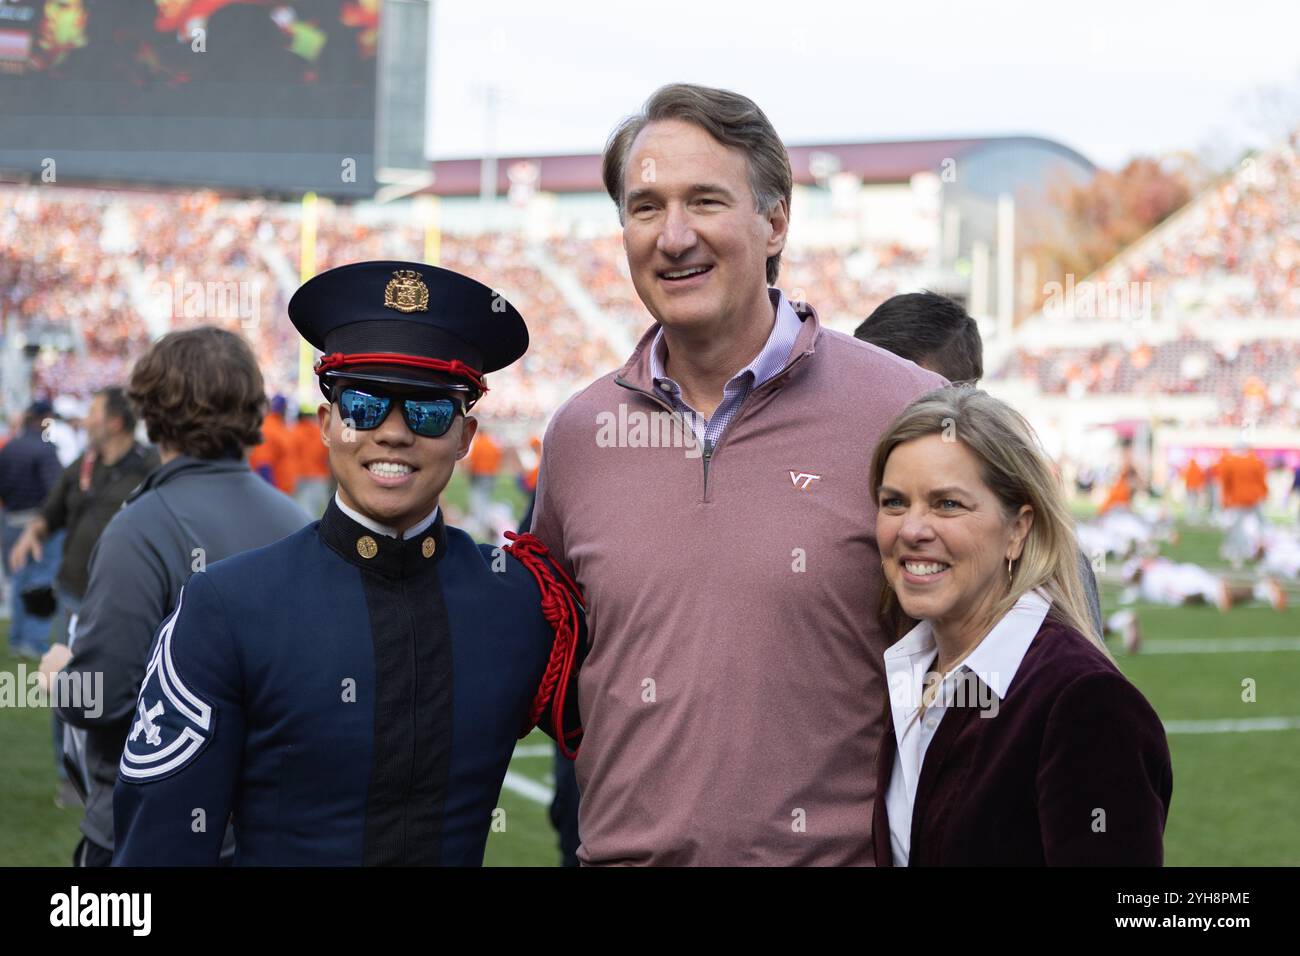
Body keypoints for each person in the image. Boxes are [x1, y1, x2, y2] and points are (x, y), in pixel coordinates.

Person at [531, 83, 944, 865]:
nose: (674, 236)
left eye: (706, 202)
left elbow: (1004, 658)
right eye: (646, 207)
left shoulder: (909, 411)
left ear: (776, 219)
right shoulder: (579, 436)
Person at [113, 261, 584, 866]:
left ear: (465, 436)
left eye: (428, 411)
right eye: (363, 404)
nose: (392, 432)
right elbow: (159, 850)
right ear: (328, 424)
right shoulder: (227, 606)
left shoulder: (521, 602)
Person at [869, 386, 1172, 865]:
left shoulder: (1082, 701)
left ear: (1019, 529)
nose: (911, 529)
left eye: (948, 504)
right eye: (894, 503)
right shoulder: (911, 665)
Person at [47, 328, 312, 867]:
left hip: (147, 829)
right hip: (266, 831)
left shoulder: (141, 526)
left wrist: (58, 676)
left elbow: (103, 695)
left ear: (152, 407)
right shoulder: (297, 521)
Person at [855, 291, 1104, 637]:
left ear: (965, 400)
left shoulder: (1044, 550)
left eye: (948, 505)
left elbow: (1079, 673)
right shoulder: (838, 503)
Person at [11, 387, 158, 807]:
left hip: (126, 602)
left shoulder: (150, 466)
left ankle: (127, 771)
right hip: (74, 595)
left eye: (93, 412)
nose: (85, 420)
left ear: (114, 422)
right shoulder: (82, 465)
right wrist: (32, 535)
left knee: (122, 688)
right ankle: (69, 779)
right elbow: (52, 511)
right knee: (66, 689)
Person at [0, 400, 64, 659]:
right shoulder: (45, 450)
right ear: (42, 418)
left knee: (18, 580)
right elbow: (56, 492)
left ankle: (18, 637)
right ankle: (33, 640)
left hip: (12, 519)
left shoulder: (11, 446)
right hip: (39, 524)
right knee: (42, 579)